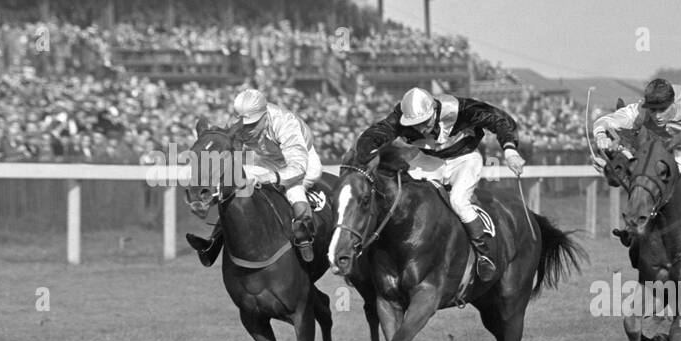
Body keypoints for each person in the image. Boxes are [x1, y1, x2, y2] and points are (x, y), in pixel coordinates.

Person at [351, 86, 525, 283]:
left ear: (433, 110)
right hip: (429, 159)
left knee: (458, 201)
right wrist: (367, 152)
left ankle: (484, 254)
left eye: (424, 122)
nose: (420, 128)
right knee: (402, 195)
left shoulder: (460, 109)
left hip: (465, 158)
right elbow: (375, 133)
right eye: (415, 124)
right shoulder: (401, 116)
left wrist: (510, 149)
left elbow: (499, 119)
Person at [185, 88, 325, 266]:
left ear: (265, 115)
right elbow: (232, 157)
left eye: (252, 124)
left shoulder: (285, 123)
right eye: (244, 123)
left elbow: (297, 168)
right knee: (235, 179)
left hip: (302, 162)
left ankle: (304, 238)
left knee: (294, 189)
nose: (247, 129)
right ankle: (213, 243)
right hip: (266, 159)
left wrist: (267, 178)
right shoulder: (237, 123)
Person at [592, 77, 681, 177]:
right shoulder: (641, 111)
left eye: (662, 109)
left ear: (673, 103)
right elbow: (606, 120)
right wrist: (601, 135)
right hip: (672, 154)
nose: (657, 116)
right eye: (653, 110)